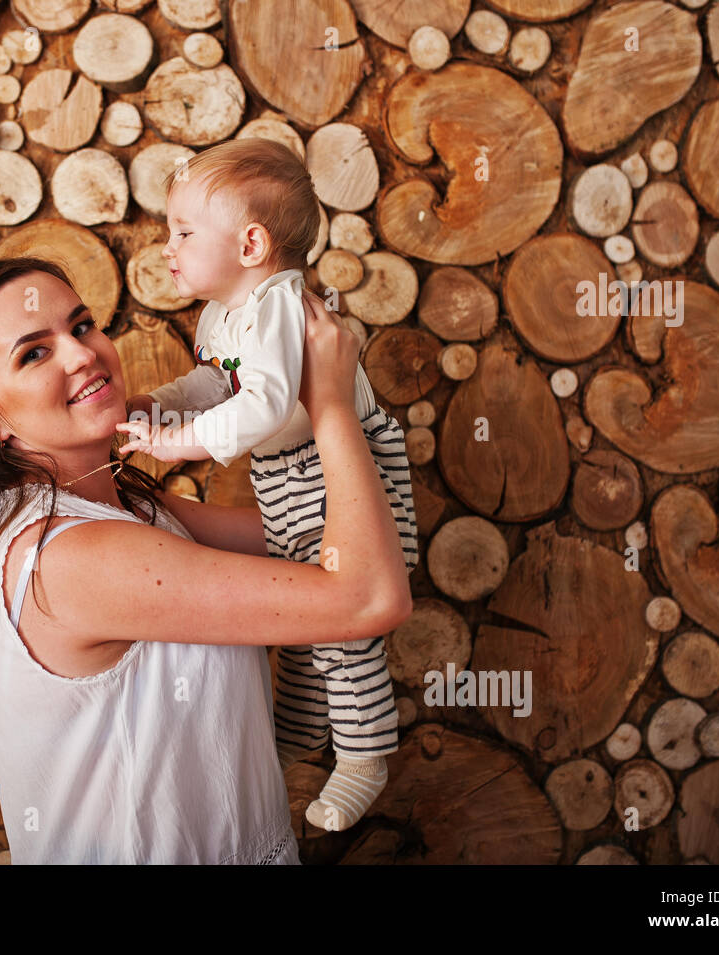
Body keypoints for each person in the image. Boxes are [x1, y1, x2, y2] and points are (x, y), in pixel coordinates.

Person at [0, 256, 412, 864]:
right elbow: (371, 595)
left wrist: (272, 366)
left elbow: (336, 541)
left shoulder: (129, 509)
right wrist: (333, 404)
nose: (82, 355)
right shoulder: (71, 559)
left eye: (81, 326)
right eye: (34, 353)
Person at [122, 138, 421, 832]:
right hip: (286, 474)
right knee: (304, 611)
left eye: (184, 232)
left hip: (342, 467)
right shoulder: (220, 314)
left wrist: (173, 444)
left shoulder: (280, 303)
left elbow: (261, 404)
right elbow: (213, 382)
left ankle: (365, 754)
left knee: (342, 625)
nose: (167, 246)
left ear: (252, 242)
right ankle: (300, 731)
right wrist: (161, 405)